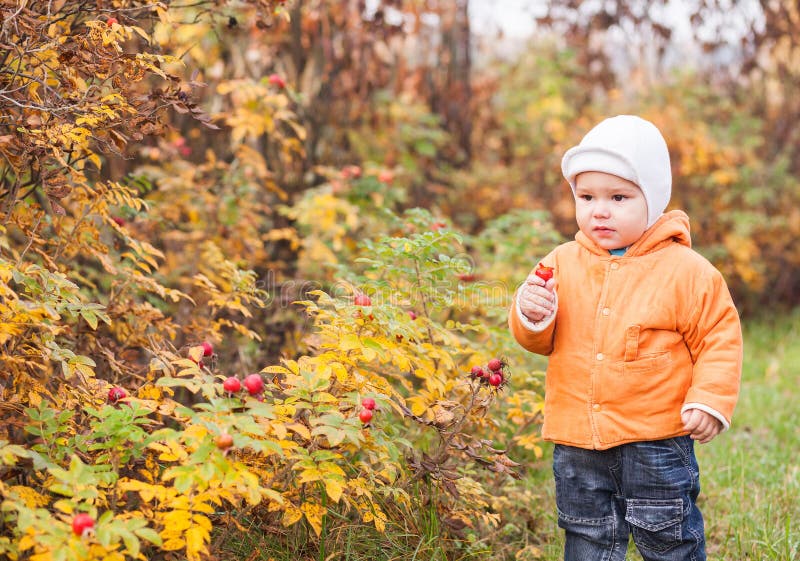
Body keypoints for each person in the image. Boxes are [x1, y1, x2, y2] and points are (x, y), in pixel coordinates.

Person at [508, 115, 742, 561]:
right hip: (577, 440)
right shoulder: (560, 263)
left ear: (651, 201)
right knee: (587, 537)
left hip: (656, 438)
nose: (600, 210)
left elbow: (719, 336)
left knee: (667, 537)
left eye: (619, 197)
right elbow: (538, 339)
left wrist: (710, 399)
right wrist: (530, 313)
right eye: (587, 196)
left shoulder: (686, 271)